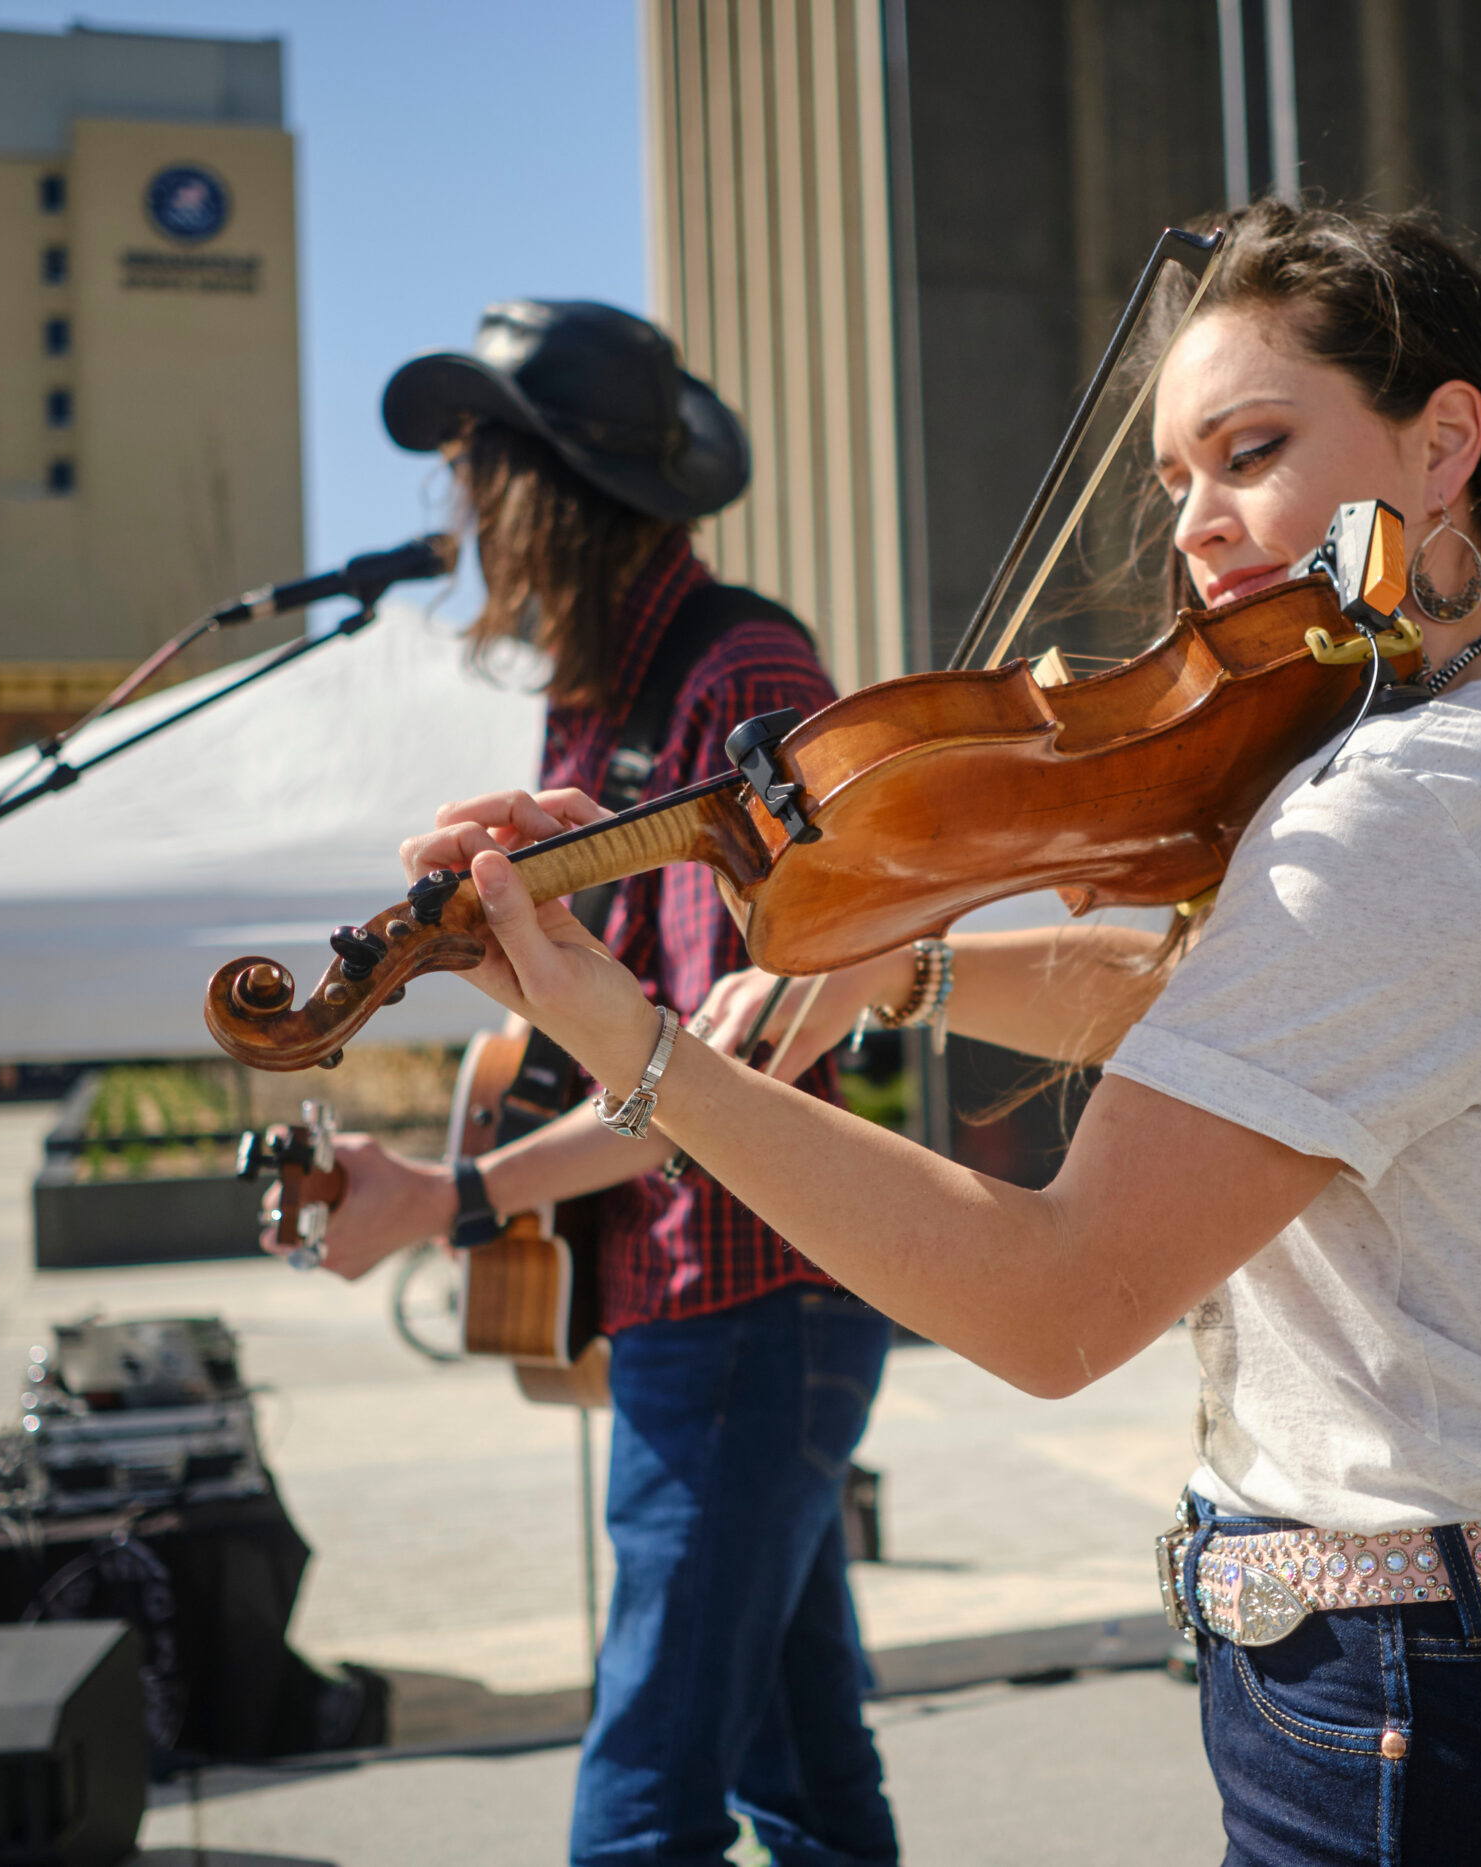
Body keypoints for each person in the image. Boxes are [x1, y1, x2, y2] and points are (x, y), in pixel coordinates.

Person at [403, 203, 1481, 1864]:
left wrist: (635, 1042)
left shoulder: (1415, 805)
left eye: (1251, 451)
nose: (1200, 533)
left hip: (1430, 1709)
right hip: (1460, 1684)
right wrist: (909, 968)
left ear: (1445, 440)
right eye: (1174, 482)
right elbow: (1207, 1025)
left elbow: (1054, 1300)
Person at [286, 300, 900, 1867]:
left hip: (747, 1302)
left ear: (543, 489)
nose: (454, 507)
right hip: (700, 1305)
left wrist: (457, 1195)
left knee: (640, 1805)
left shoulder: (737, 668)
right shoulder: (595, 702)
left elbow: (714, 1068)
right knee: (805, 1780)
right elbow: (613, 1032)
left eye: (475, 466)